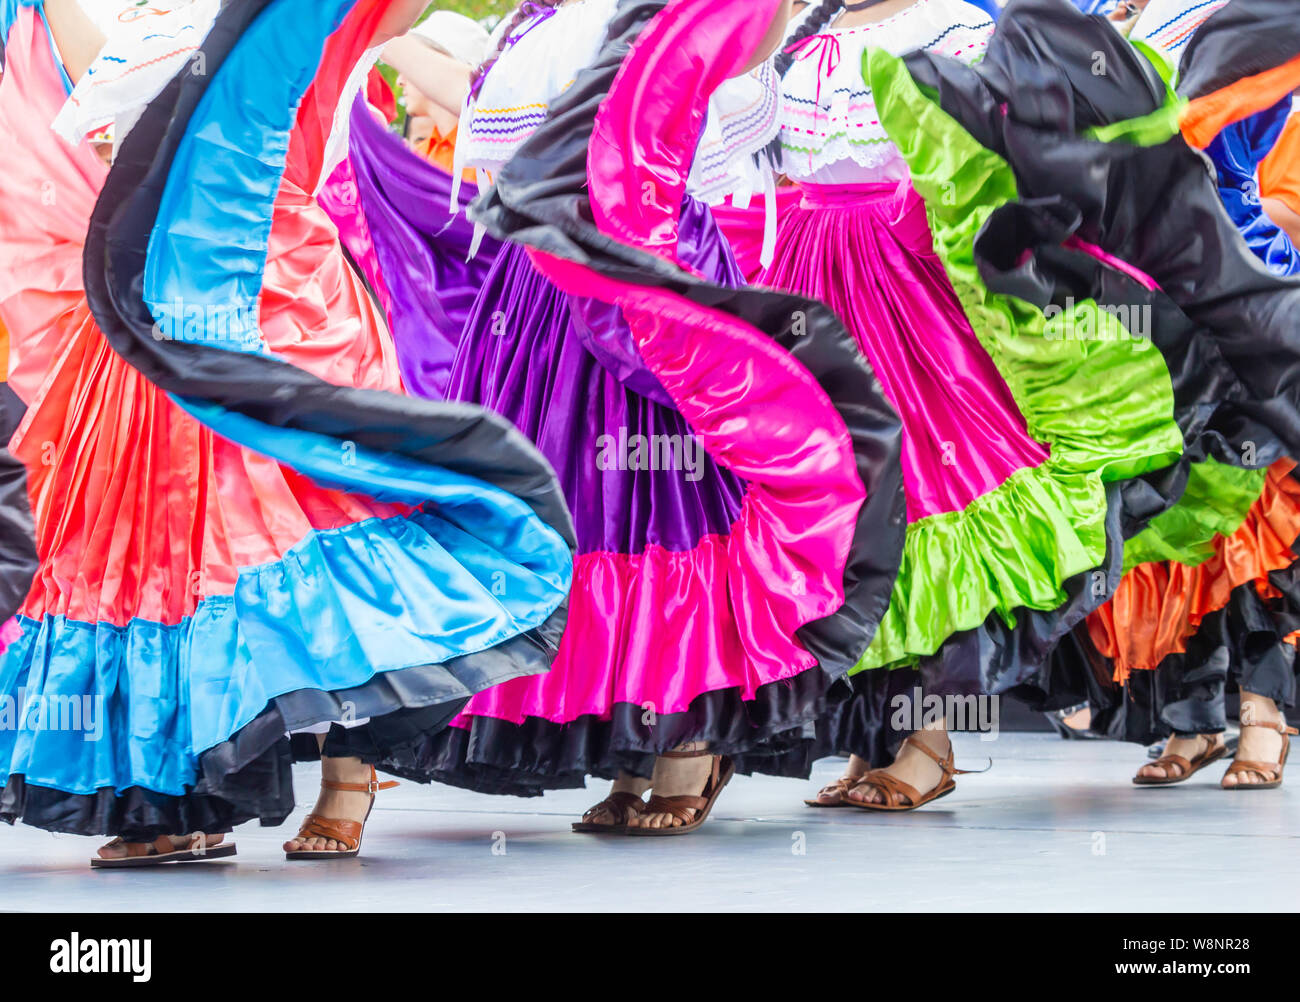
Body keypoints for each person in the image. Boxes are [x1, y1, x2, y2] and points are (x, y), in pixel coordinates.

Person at [0, 0, 574, 865]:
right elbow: (107, 148)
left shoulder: (290, 14)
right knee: (164, 559)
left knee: (341, 529)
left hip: (285, 306)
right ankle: (177, 801)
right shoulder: (99, 23)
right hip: (149, 320)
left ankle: (351, 771)